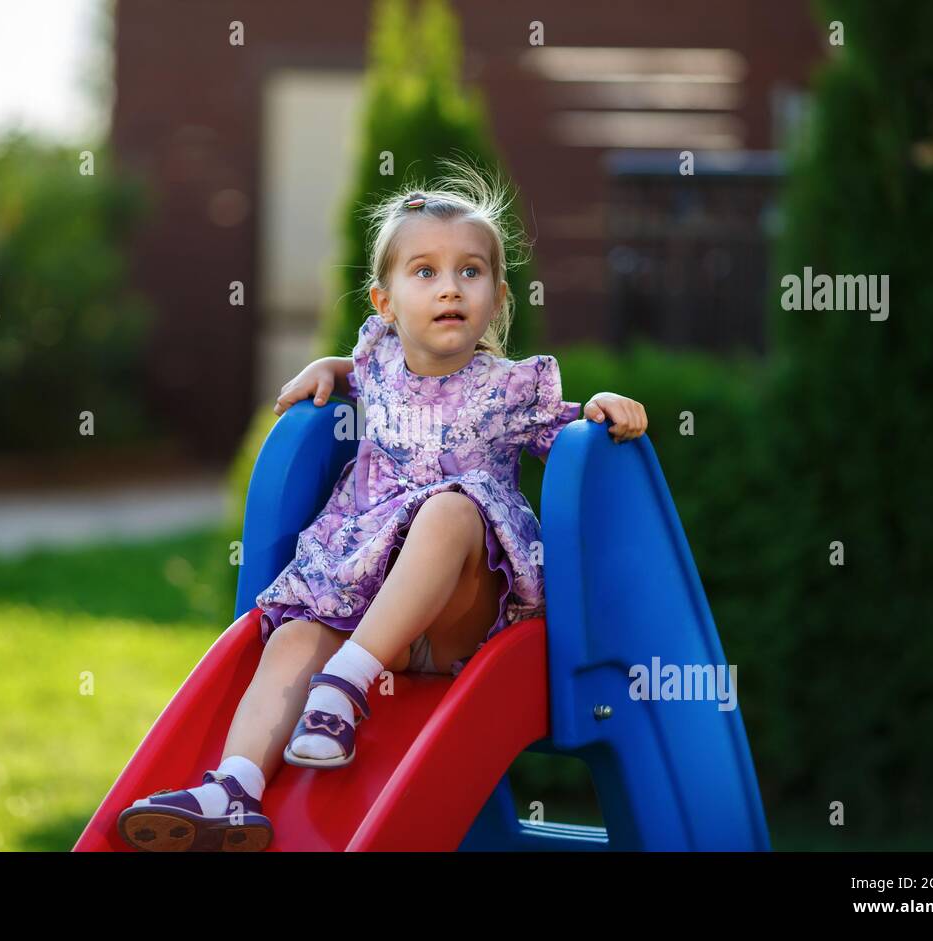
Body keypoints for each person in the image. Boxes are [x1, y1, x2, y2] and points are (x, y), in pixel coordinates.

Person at [118, 159, 648, 851]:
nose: (450, 287)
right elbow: (352, 366)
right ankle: (234, 785)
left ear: (496, 296)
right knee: (291, 638)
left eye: (470, 271)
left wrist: (600, 412)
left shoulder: (511, 386)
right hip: (371, 606)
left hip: (463, 620)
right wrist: (328, 370)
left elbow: (565, 435)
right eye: (424, 271)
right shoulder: (374, 363)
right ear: (385, 302)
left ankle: (345, 681)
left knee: (453, 509)